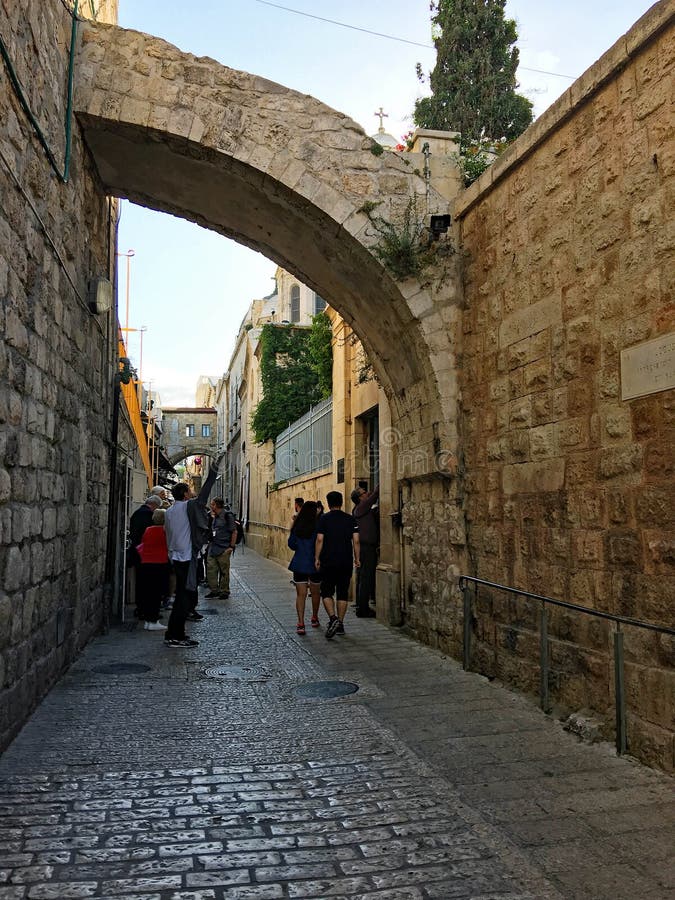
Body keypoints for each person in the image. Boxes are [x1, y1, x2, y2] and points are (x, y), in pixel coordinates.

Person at [163, 454, 223, 648]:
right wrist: (214, 469)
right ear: (186, 495)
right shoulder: (189, 507)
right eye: (189, 491)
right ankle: (175, 637)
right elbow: (205, 490)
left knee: (183, 596)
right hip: (186, 558)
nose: (192, 493)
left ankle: (175, 634)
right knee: (184, 597)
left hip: (175, 556)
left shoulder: (170, 511)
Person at [314, 490, 360, 640]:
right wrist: (357, 558)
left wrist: (317, 557)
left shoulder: (324, 519)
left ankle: (332, 618)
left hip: (328, 561)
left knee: (326, 591)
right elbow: (356, 541)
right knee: (342, 592)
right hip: (345, 560)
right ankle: (340, 623)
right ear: (341, 502)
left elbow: (320, 539)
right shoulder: (350, 519)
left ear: (328, 503)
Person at [288, 501, 321, 635]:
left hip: (300, 563)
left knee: (300, 595)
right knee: (315, 593)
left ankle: (301, 623)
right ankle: (314, 617)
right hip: (314, 564)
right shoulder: (318, 526)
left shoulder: (297, 527)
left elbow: (291, 544)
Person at [135, 508, 169, 631]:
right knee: (156, 593)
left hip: (146, 563)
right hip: (159, 563)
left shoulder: (148, 530)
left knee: (148, 592)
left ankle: (148, 620)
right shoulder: (165, 531)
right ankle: (153, 620)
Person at [350, 484, 379, 617]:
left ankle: (361, 606)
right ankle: (363, 609)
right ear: (360, 498)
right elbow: (374, 496)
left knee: (363, 577)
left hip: (367, 547)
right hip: (366, 548)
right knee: (366, 577)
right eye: (364, 493)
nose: (367, 493)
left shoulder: (362, 510)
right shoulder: (361, 507)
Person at [205, 498, 237, 599]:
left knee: (224, 571)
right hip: (213, 547)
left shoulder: (227, 516)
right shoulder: (213, 516)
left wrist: (231, 547)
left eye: (212, 505)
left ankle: (224, 591)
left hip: (223, 547)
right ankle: (214, 590)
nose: (211, 507)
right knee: (211, 569)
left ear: (216, 505)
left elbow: (234, 531)